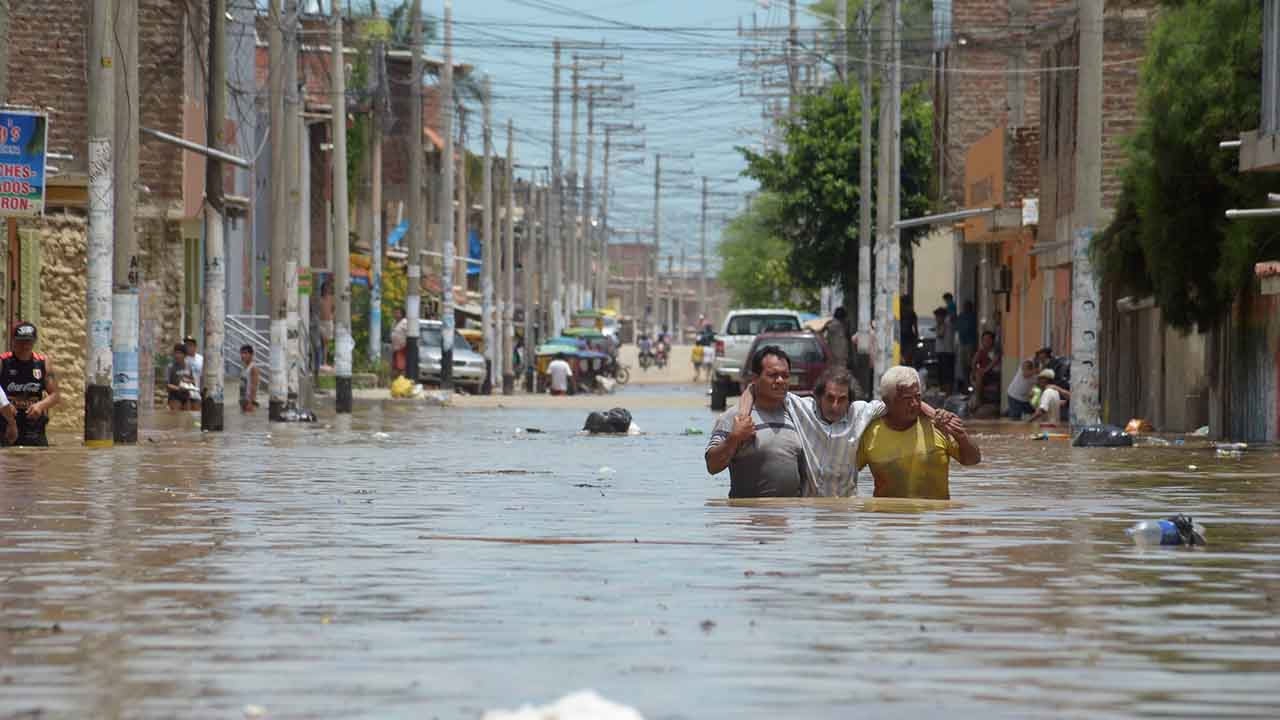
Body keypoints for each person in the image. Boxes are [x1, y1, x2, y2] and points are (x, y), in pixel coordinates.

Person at [738, 366, 964, 497]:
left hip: (849, 511)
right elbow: (752, 388)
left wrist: (937, 416)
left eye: (842, 399)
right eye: (830, 398)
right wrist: (743, 418)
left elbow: (906, 401)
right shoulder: (801, 408)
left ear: (850, 400)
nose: (835, 406)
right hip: (810, 512)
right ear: (817, 396)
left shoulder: (862, 413)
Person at [856, 366, 981, 500]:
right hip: (890, 518)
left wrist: (960, 435)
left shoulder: (938, 425)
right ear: (887, 401)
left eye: (918, 397)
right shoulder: (870, 435)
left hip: (935, 517)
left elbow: (972, 460)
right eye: (907, 399)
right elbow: (845, 474)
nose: (915, 403)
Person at [706, 346, 809, 498]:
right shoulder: (735, 417)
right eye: (773, 375)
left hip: (789, 515)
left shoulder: (797, 413)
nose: (780, 381)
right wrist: (734, 438)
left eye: (785, 376)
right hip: (750, 514)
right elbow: (712, 466)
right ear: (755, 378)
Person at [0, 322, 62, 447]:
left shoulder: (42, 363)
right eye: (21, 341)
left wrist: (40, 405)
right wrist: (5, 405)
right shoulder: (3, 362)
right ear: (13, 341)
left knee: (35, 462)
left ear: (34, 341)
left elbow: (55, 395)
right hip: (6, 422)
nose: (25, 346)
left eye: (29, 341)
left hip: (33, 425)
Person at [166, 344, 199, 411]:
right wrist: (178, 388)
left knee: (187, 416)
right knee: (176, 417)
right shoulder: (170, 367)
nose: (177, 355)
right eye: (176, 353)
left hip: (187, 397)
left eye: (180, 353)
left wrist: (189, 382)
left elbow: (193, 381)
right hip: (174, 397)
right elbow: (167, 384)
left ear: (185, 355)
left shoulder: (188, 367)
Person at [932, 307, 956, 393]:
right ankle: (944, 392)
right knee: (942, 374)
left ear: (942, 316)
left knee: (946, 374)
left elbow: (940, 334)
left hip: (946, 352)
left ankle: (947, 392)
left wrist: (937, 326)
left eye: (937, 317)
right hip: (942, 352)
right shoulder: (944, 324)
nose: (936, 319)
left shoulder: (945, 324)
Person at [956, 300, 978, 384]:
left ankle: (970, 382)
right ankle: (966, 383)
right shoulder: (961, 316)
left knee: (970, 363)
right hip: (963, 342)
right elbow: (957, 327)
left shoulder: (972, 316)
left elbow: (970, 328)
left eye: (967, 306)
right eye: (964, 306)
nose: (965, 308)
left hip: (970, 342)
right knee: (963, 364)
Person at [825, 306, 852, 371]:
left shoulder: (830, 326)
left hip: (832, 357)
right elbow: (843, 345)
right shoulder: (841, 327)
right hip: (840, 358)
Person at [318, 278, 335, 370]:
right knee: (319, 343)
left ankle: (324, 362)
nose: (327, 290)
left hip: (328, 322)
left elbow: (333, 309)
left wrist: (332, 317)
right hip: (321, 322)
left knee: (325, 344)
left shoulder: (331, 298)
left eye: (328, 288)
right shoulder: (320, 299)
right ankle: (320, 362)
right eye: (325, 288)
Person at [239, 344, 260, 413]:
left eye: (245, 353)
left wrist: (251, 403)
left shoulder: (253, 368)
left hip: (250, 402)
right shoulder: (244, 367)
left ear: (251, 354)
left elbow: (254, 386)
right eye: (241, 353)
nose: (243, 355)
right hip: (244, 400)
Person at [900, 296, 919, 366]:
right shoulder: (912, 313)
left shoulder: (899, 313)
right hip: (908, 338)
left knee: (904, 359)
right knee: (908, 359)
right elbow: (916, 329)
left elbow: (915, 328)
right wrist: (916, 339)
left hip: (903, 338)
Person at [391, 307, 408, 377]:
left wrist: (404, 344)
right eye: (395, 313)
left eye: (398, 313)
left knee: (400, 366)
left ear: (402, 314)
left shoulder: (405, 322)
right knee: (395, 366)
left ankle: (401, 380)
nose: (396, 315)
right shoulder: (394, 322)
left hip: (402, 348)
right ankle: (396, 380)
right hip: (395, 347)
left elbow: (408, 334)